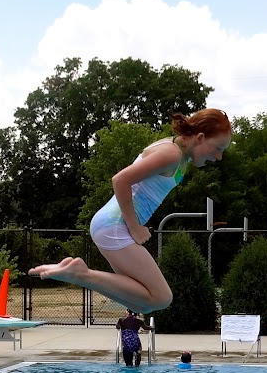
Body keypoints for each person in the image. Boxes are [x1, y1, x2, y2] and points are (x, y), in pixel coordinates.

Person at [30, 109, 231, 312]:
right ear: (200, 137)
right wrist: (135, 227)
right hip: (115, 226)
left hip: (111, 226)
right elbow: (120, 180)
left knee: (142, 304)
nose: (219, 157)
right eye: (218, 148)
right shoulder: (171, 153)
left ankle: (79, 274)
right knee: (161, 297)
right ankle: (80, 274)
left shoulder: (179, 154)